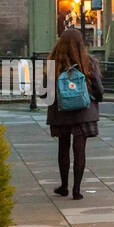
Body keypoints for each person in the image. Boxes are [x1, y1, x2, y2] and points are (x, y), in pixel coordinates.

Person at [46, 27, 104, 200]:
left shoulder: (54, 64)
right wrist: (97, 98)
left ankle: (64, 186)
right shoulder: (88, 62)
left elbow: (44, 92)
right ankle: (76, 190)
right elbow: (99, 89)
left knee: (63, 148)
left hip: (61, 113)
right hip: (83, 113)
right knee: (80, 150)